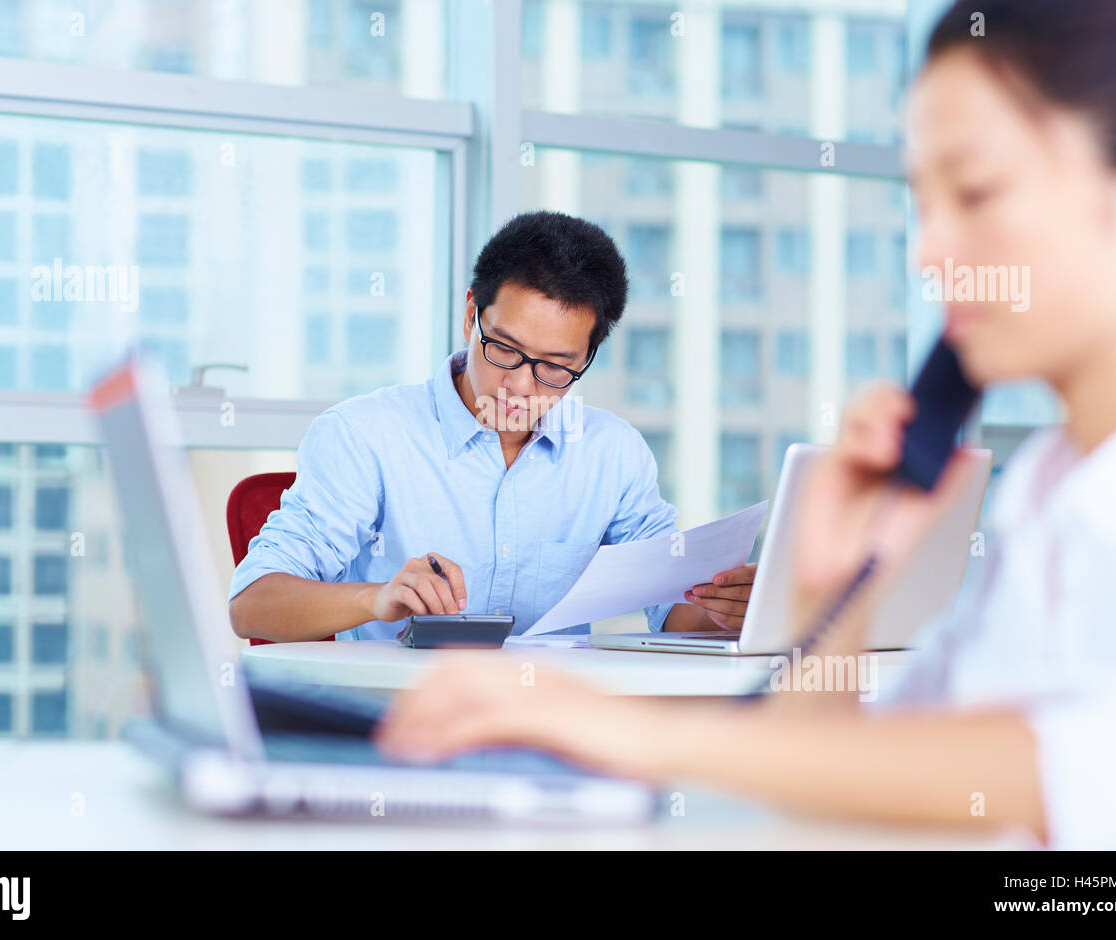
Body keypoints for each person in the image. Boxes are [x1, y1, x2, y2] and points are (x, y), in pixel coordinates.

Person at [376, 0, 1116, 849]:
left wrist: (625, 730)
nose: (929, 251)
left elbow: (1085, 772)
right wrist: (825, 596)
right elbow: (853, 778)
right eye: (923, 202)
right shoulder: (1051, 497)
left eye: (977, 193)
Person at [229, 211, 757, 642]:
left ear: (588, 356)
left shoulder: (613, 454)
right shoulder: (364, 435)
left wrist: (727, 607)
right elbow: (252, 605)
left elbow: (670, 607)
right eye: (504, 349)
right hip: (397, 733)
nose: (523, 387)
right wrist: (375, 597)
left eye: (556, 366)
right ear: (470, 316)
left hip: (549, 737)